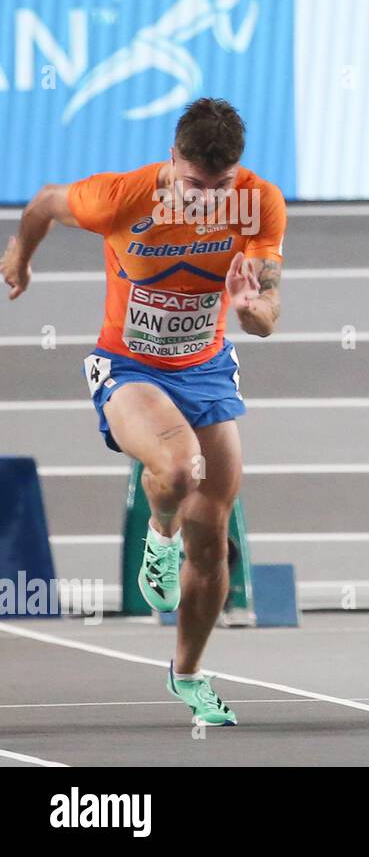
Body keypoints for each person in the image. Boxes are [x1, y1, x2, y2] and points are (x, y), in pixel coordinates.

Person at [2, 98, 287, 723]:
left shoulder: (260, 202)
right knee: (181, 469)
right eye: (193, 185)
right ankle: (158, 538)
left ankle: (187, 673)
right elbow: (44, 202)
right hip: (128, 368)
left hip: (206, 370)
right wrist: (21, 255)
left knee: (213, 541)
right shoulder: (120, 198)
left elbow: (268, 314)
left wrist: (248, 309)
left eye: (220, 187)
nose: (206, 199)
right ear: (172, 159)